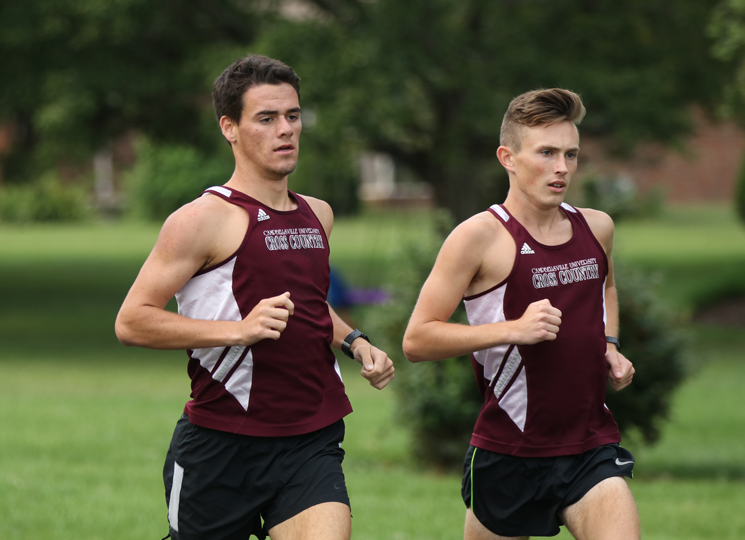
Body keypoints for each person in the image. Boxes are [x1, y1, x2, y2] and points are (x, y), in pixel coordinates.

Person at [115, 54, 394, 540]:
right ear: (230, 127)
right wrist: (238, 331)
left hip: (311, 438)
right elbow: (132, 321)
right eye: (266, 118)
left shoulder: (318, 215)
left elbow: (308, 306)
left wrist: (356, 342)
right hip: (222, 445)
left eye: (293, 115)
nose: (285, 130)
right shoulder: (201, 220)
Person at [402, 88, 639, 540]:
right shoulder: (478, 237)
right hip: (509, 451)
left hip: (591, 446)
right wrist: (513, 330)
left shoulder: (597, 226)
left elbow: (606, 285)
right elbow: (417, 340)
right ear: (507, 157)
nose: (562, 168)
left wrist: (610, 344)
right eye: (546, 153)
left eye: (571, 154)